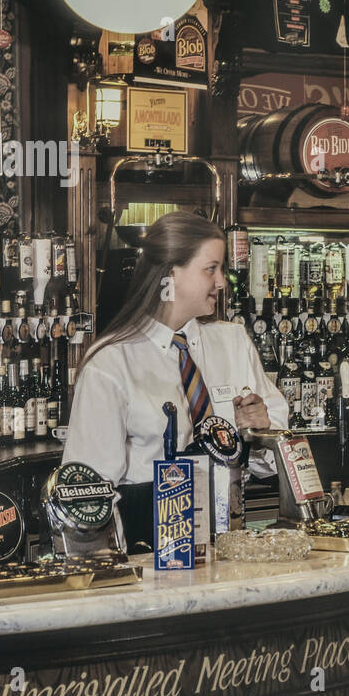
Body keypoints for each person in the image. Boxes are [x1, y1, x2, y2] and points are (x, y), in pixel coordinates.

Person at [62, 212, 288, 549]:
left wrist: (261, 431)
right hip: (149, 546)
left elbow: (273, 462)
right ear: (170, 274)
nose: (222, 282)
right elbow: (89, 491)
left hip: (231, 539)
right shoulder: (111, 363)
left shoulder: (233, 342)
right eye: (210, 269)